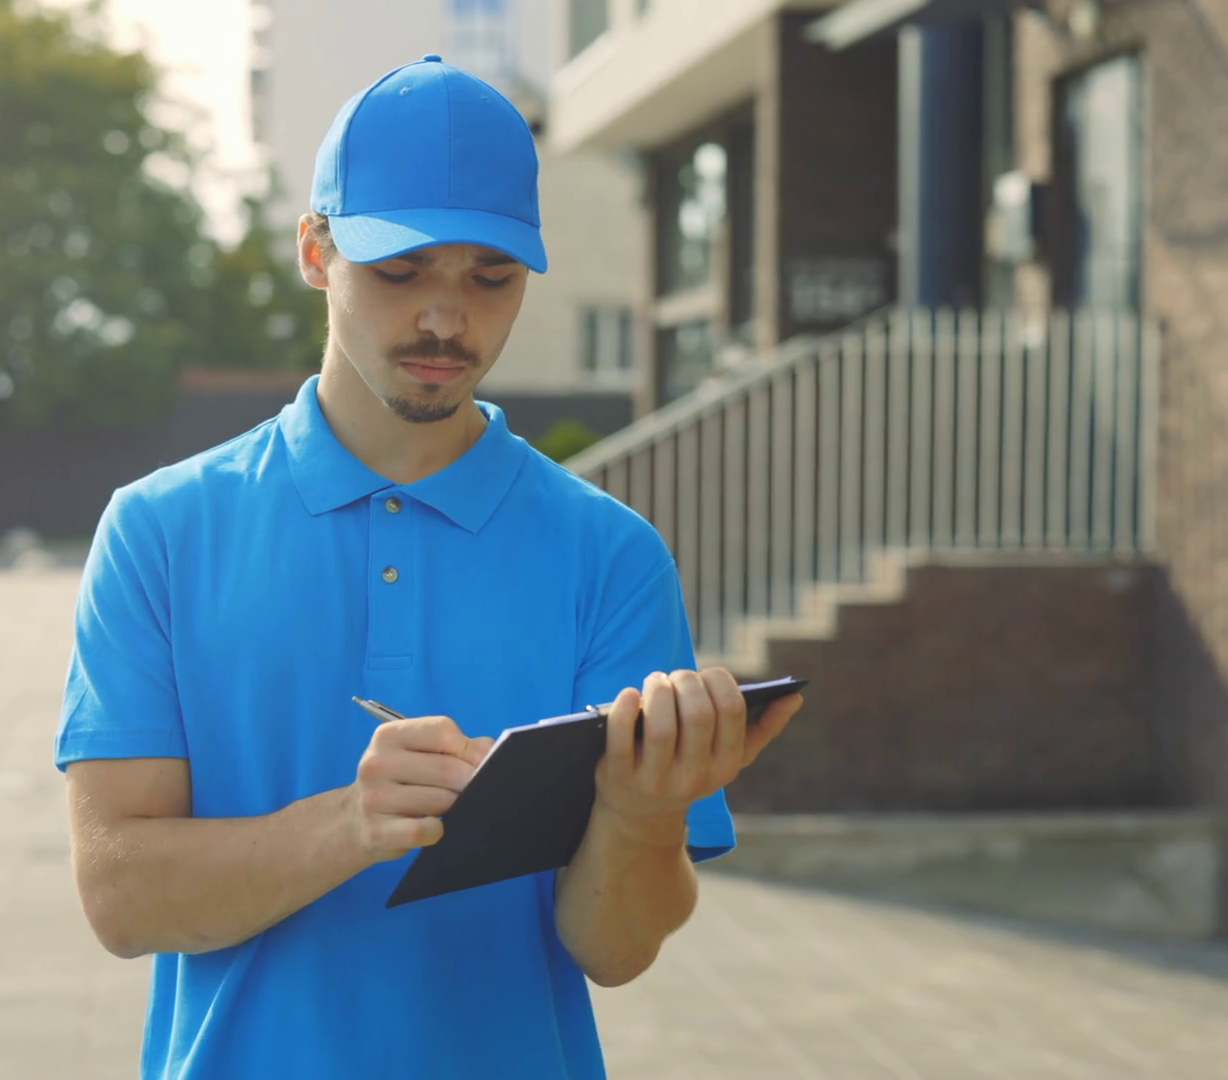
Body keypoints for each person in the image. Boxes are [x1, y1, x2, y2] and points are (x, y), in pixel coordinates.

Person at [55, 55, 804, 1079]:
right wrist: (351, 824)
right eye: (402, 272)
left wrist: (642, 814)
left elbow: (616, 951)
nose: (448, 320)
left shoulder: (610, 555)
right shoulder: (159, 531)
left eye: (490, 278)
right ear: (316, 252)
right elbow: (120, 898)